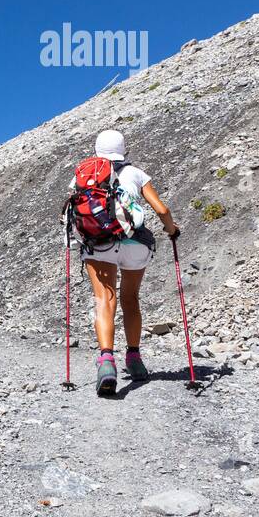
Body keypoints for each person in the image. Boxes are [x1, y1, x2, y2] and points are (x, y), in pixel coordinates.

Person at [78, 130, 179, 395]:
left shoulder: (86, 173)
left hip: (99, 244)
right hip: (136, 243)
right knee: (130, 299)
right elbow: (162, 210)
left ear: (97, 148)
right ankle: (134, 359)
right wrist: (172, 230)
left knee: (104, 300)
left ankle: (106, 361)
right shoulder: (135, 173)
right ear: (124, 149)